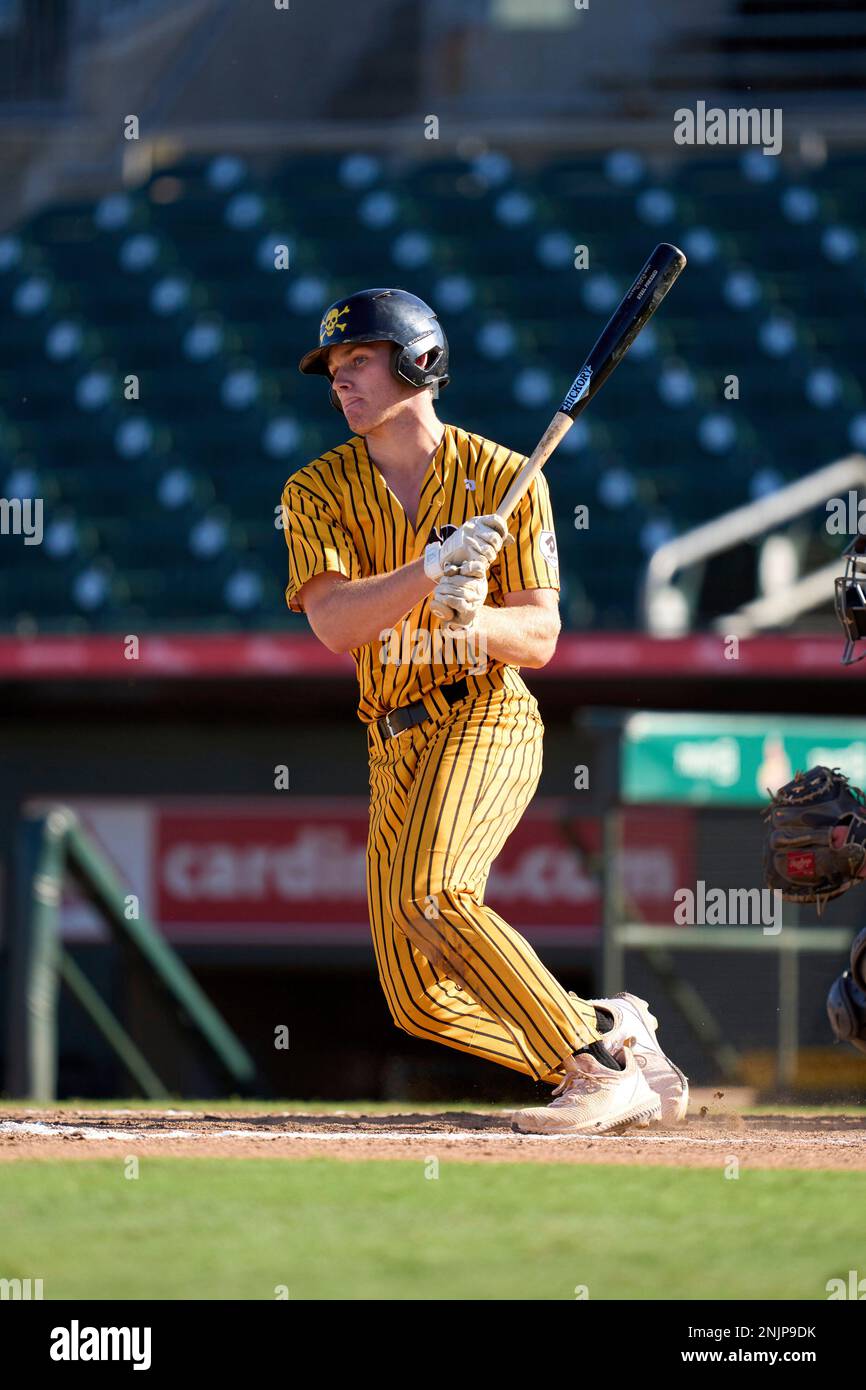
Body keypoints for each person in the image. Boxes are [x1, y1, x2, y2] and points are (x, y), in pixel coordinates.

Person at [280, 286, 688, 1132]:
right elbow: (334, 623)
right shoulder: (314, 489)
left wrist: (476, 615)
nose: (340, 383)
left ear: (418, 363)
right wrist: (430, 571)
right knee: (418, 999)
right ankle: (608, 1030)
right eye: (333, 370)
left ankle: (597, 1068)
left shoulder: (505, 476)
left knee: (435, 895)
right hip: (390, 741)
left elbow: (538, 639)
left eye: (357, 361)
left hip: (485, 716)